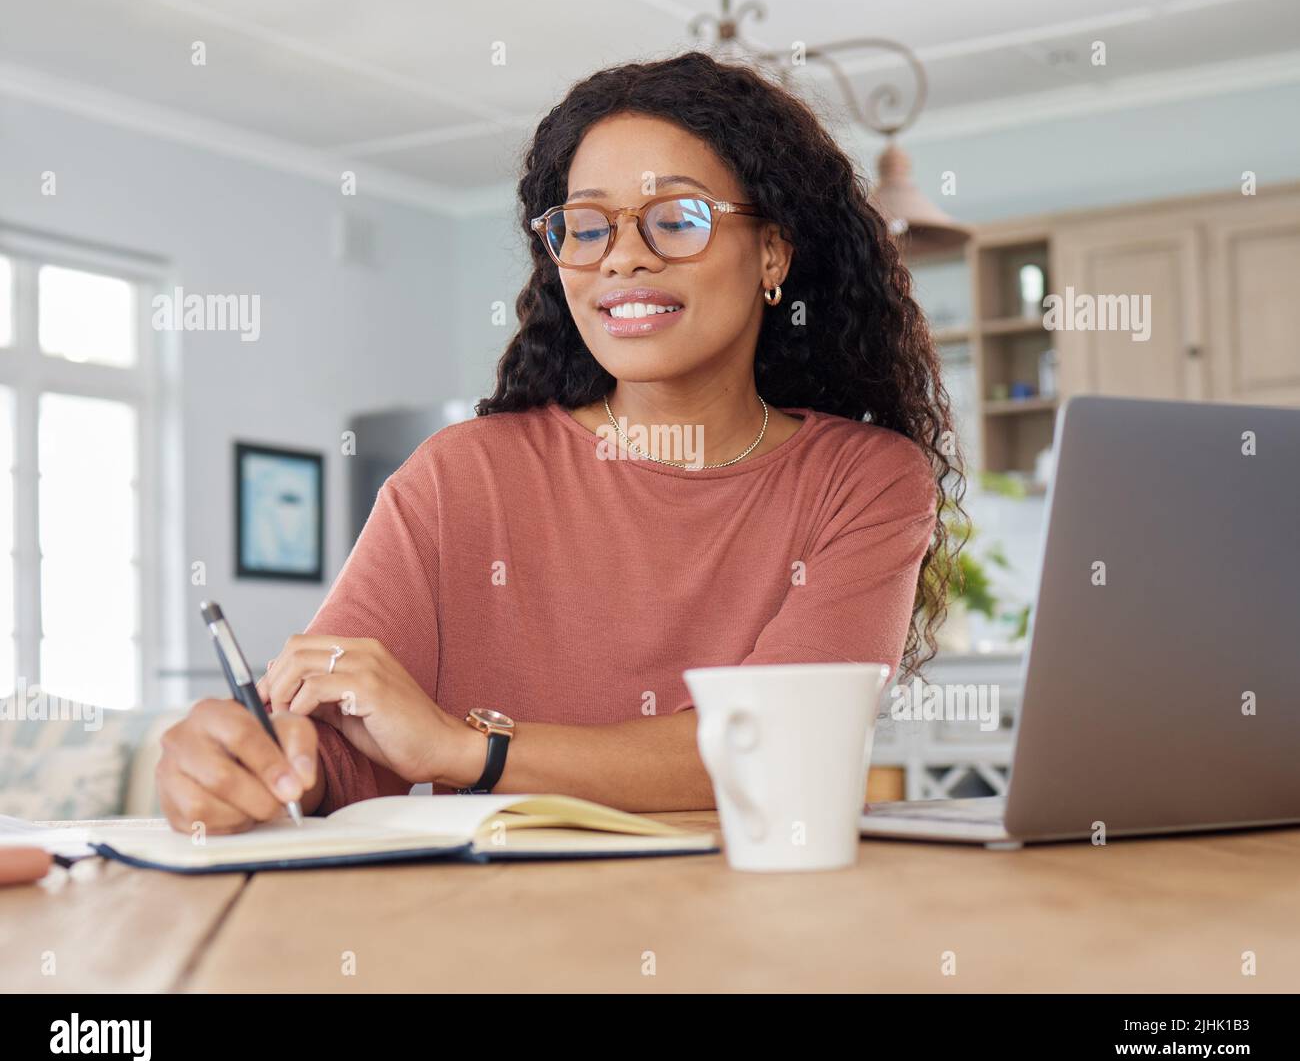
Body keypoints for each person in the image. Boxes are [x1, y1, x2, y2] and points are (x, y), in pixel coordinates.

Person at [157, 51, 966, 833]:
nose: (622, 257)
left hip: (755, 933)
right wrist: (253, 763)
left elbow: (783, 749)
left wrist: (463, 748)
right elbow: (344, 743)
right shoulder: (459, 476)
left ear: (773, 251)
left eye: (675, 219)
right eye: (585, 227)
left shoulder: (864, 481)